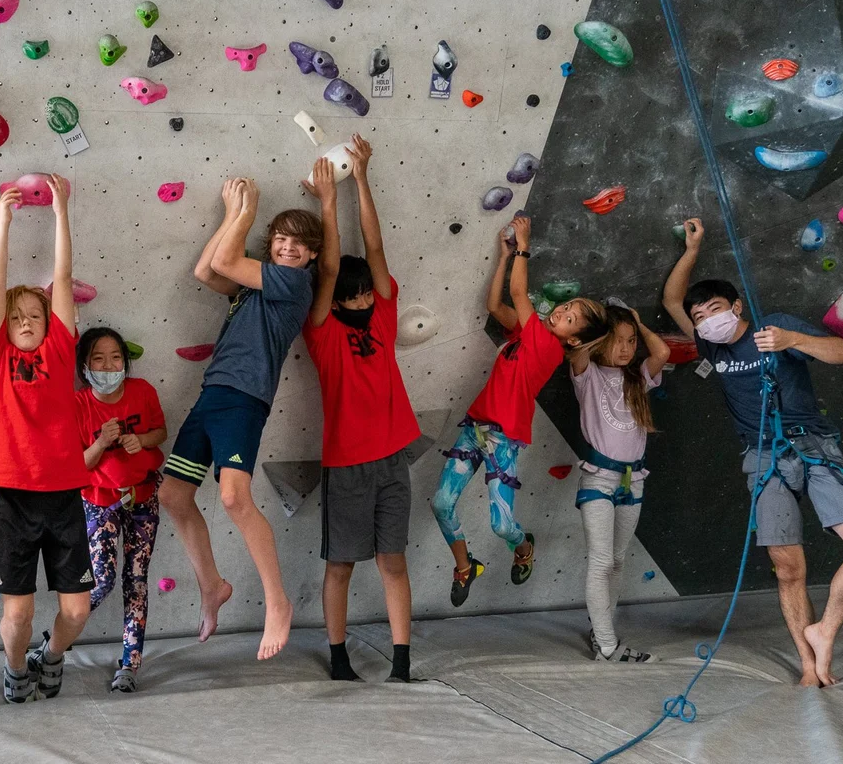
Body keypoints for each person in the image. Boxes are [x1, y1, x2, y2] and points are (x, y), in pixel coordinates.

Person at [662, 218, 843, 687]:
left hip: (814, 444)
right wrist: (692, 249)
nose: (707, 320)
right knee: (787, 568)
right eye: (700, 317)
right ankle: (809, 665)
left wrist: (792, 340)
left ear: (736, 306)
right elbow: (671, 301)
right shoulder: (711, 347)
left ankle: (825, 630)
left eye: (715, 309)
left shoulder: (775, 326)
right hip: (762, 456)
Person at [160, 176, 323, 661]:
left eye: (298, 242)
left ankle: (278, 602)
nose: (288, 247)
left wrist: (246, 211)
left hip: (245, 398)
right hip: (212, 394)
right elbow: (207, 270)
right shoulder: (254, 287)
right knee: (172, 494)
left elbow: (228, 262)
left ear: (312, 255)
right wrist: (233, 216)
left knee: (234, 497)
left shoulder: (295, 283)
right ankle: (213, 586)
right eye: (281, 239)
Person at [432, 215, 610, 605]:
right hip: (475, 428)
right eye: (567, 307)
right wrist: (504, 256)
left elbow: (517, 291)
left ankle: (524, 546)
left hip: (504, 440)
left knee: (502, 526)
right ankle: (465, 566)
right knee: (441, 504)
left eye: (571, 318)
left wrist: (525, 247)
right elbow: (495, 305)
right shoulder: (529, 333)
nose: (562, 311)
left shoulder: (547, 347)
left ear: (574, 339)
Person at [300, 136, 419, 683]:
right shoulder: (322, 332)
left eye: (367, 293)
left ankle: (402, 662)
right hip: (346, 463)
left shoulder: (384, 316)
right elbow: (328, 271)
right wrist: (328, 202)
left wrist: (362, 179)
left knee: (394, 561)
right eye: (354, 296)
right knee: (341, 564)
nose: (364, 300)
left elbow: (375, 249)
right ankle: (339, 659)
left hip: (393, 459)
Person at [0, 174, 94, 703]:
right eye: (16, 317)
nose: (25, 321)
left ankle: (51, 656)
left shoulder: (60, 350)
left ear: (50, 323)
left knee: (77, 610)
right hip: (15, 496)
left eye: (35, 315)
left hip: (65, 494)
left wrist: (61, 213)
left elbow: (62, 277)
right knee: (19, 613)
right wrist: (3, 222)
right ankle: (13, 667)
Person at [569, 304, 669, 663]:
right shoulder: (587, 374)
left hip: (634, 480)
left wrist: (638, 324)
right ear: (601, 341)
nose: (626, 348)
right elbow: (578, 349)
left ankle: (601, 632)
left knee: (617, 560)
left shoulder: (637, 376)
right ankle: (609, 647)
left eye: (631, 341)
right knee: (601, 562)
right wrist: (599, 326)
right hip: (599, 478)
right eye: (617, 340)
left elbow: (662, 353)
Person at [75, 327, 168, 692]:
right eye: (98, 359)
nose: (108, 366)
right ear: (85, 366)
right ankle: (58, 637)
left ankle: (130, 664)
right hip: (99, 502)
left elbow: (160, 432)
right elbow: (77, 466)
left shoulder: (143, 391)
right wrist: (102, 442)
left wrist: (140, 440)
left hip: (143, 496)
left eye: (115, 358)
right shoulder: (78, 404)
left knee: (137, 579)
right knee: (102, 580)